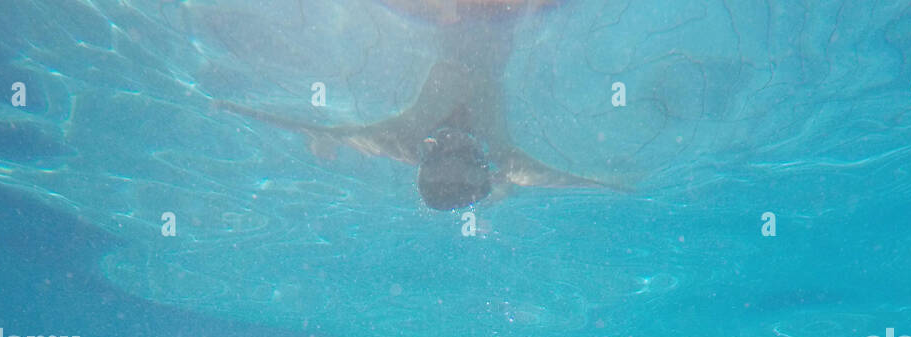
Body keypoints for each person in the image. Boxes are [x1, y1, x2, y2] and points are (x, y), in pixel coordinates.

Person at [212, 0, 614, 210]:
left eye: (442, 155)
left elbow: (324, 130)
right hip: (505, 19)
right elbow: (553, 176)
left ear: (424, 162)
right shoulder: (506, 159)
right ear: (485, 167)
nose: (457, 140)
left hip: (443, 18)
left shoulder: (400, 141)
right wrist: (618, 184)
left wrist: (236, 108)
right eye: (469, 155)